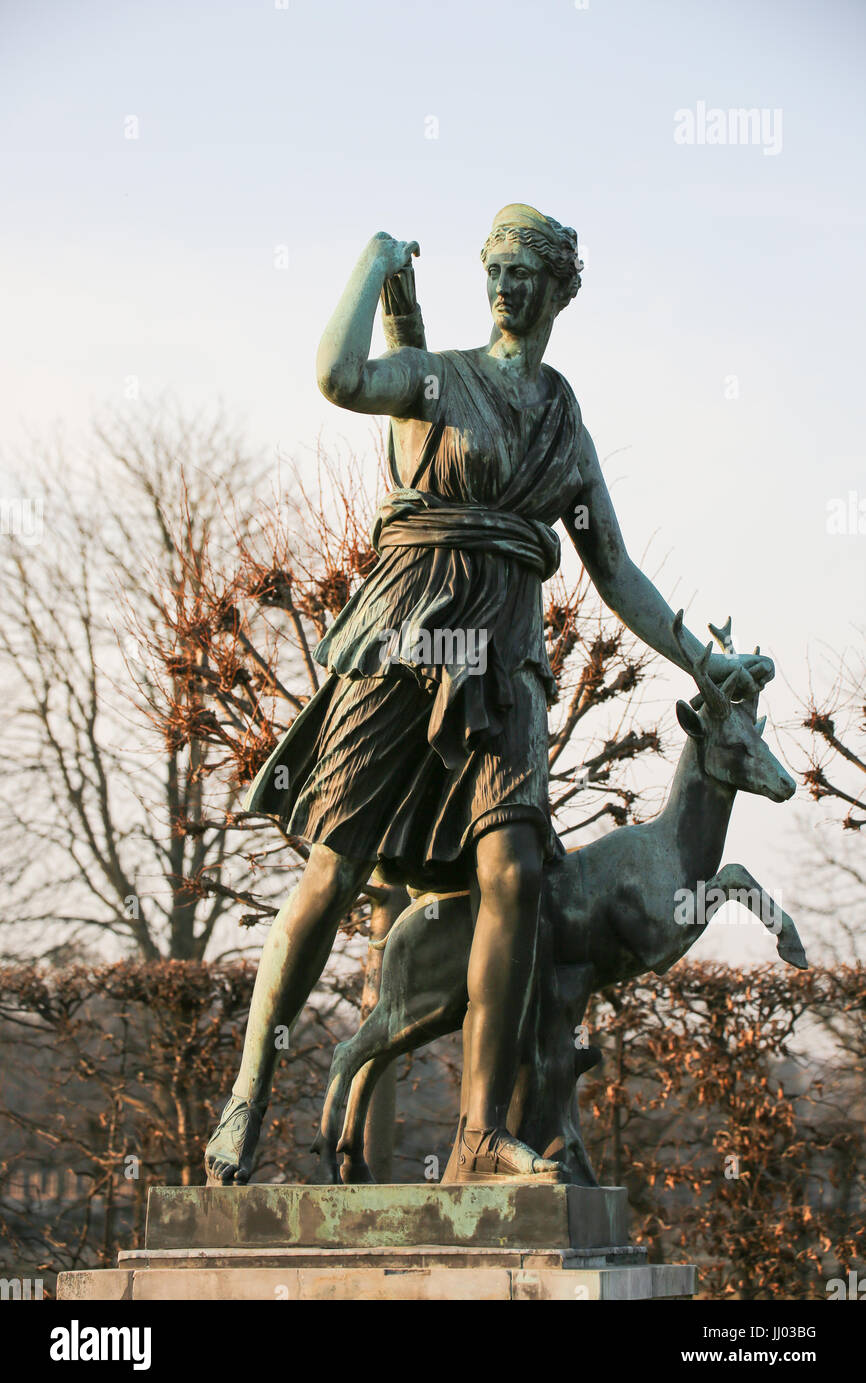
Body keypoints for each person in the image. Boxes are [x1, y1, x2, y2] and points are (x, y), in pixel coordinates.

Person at [204, 204, 773, 1185]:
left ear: (557, 289)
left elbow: (616, 571)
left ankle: (476, 1134)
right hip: (405, 629)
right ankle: (249, 1094)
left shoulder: (562, 418)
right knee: (333, 871)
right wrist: (375, 263)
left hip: (505, 652)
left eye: (524, 272)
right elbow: (339, 378)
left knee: (514, 872)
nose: (506, 286)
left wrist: (698, 662)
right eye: (495, 269)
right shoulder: (436, 376)